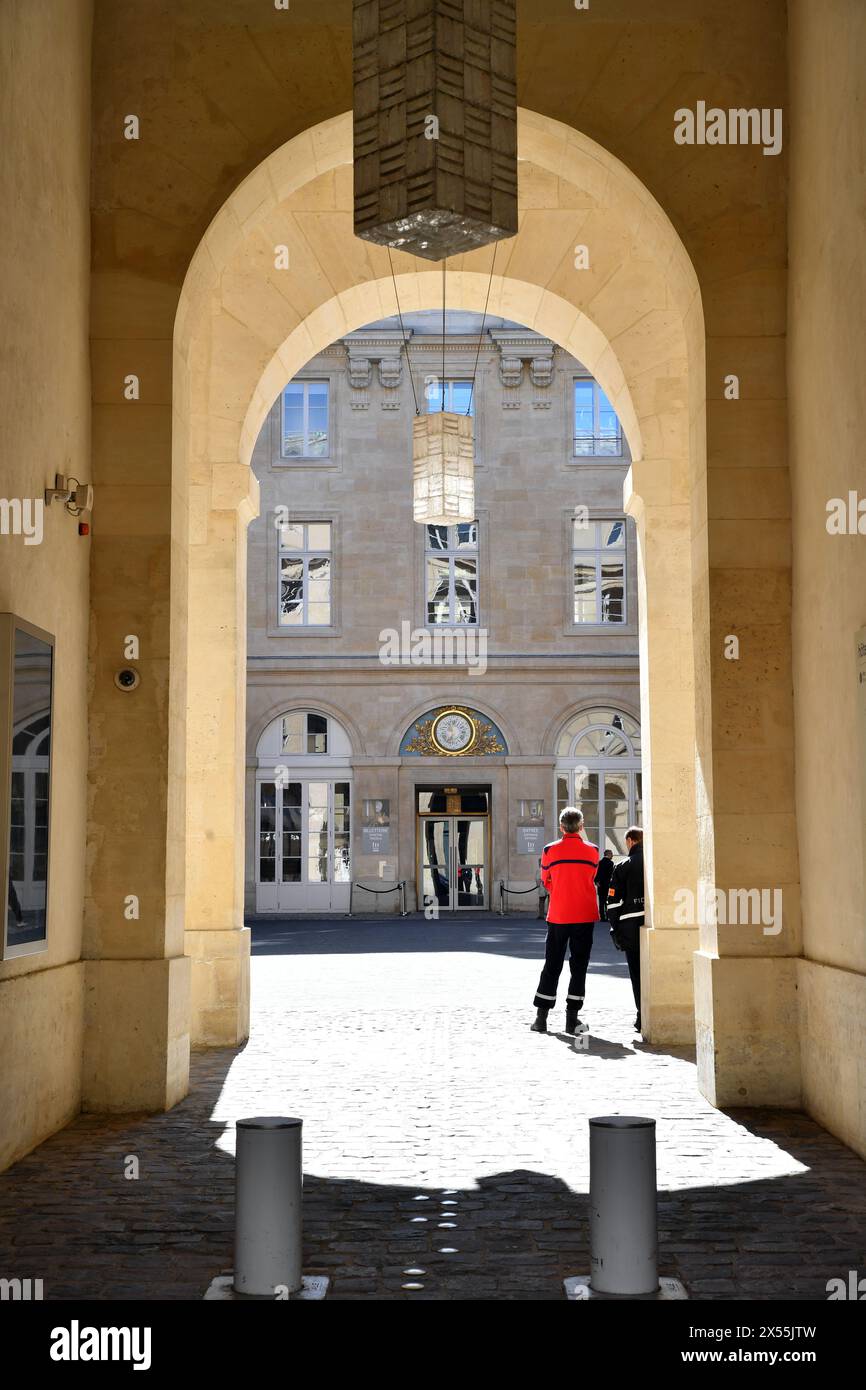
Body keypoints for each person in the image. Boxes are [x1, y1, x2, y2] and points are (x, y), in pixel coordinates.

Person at [531, 806, 599, 1036]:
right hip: (584, 914)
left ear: (561, 827)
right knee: (579, 966)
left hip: (559, 914)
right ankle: (572, 1018)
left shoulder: (549, 850)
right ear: (581, 827)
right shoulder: (593, 851)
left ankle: (542, 1017)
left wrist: (558, 890)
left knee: (552, 964)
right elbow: (592, 878)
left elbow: (545, 880)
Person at [606, 827, 645, 1032]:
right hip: (652, 922)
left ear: (630, 841)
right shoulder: (654, 863)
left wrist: (615, 928)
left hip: (630, 927)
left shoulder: (623, 866)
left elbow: (612, 903)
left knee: (637, 973)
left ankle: (642, 1015)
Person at [594, 848, 614, 920]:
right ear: (608, 854)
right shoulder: (611, 863)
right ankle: (608, 916)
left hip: (600, 885)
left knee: (601, 902)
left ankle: (602, 917)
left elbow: (596, 873)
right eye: (611, 854)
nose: (612, 855)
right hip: (608, 885)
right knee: (608, 901)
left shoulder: (599, 862)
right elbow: (611, 875)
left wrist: (596, 881)